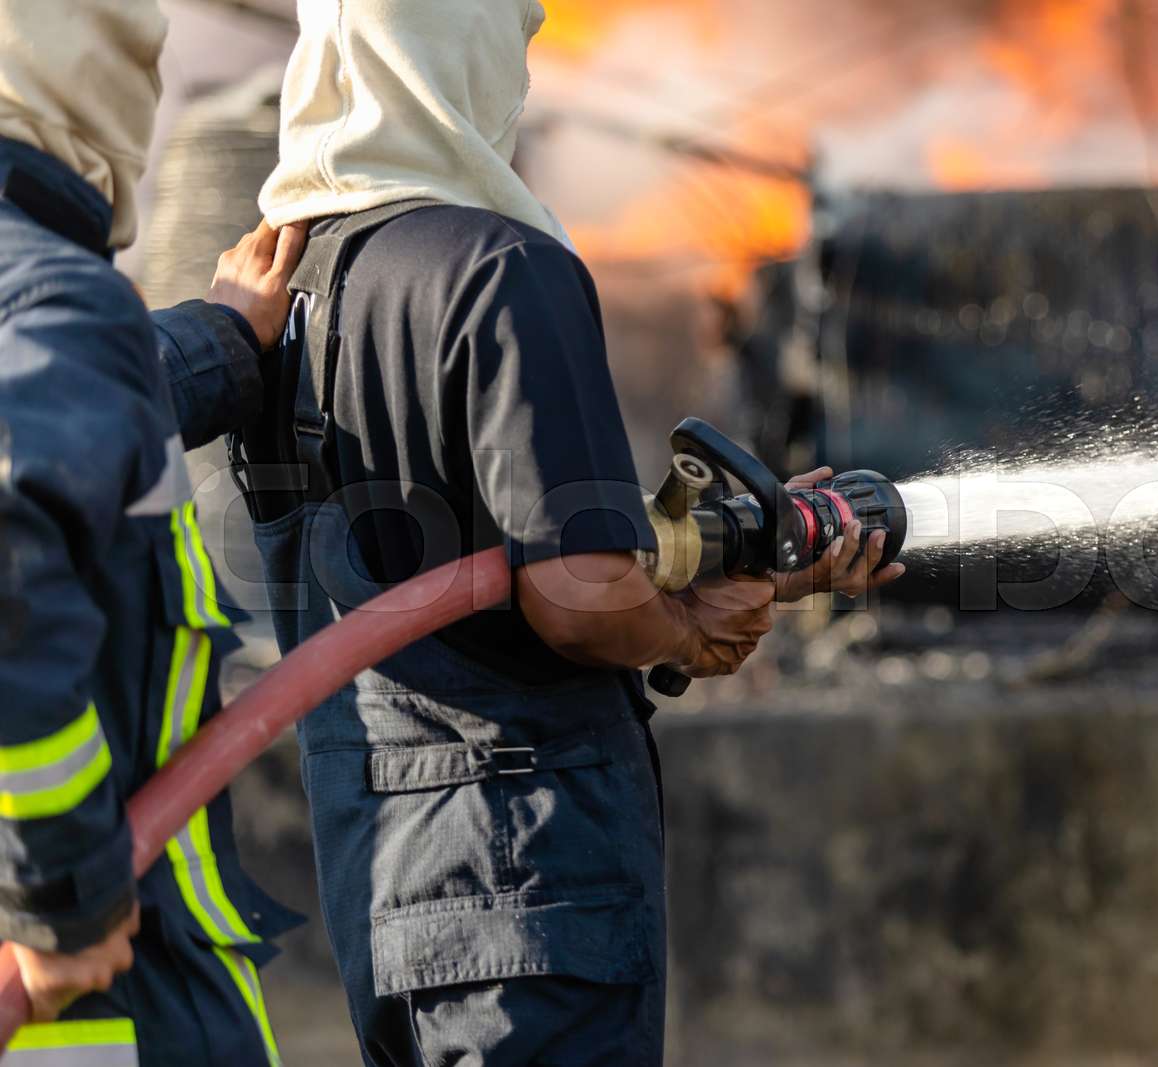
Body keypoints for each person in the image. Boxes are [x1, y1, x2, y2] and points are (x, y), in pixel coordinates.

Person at [235, 1, 901, 1063]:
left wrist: (696, 568)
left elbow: (439, 556)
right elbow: (580, 589)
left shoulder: (275, 297)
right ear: (465, 52)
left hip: (382, 885)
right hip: (530, 883)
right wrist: (685, 633)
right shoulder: (501, 268)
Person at [0, 2, 308, 1062]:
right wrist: (64, 889)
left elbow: (70, 428)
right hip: (93, 997)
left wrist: (221, 340)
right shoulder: (53, 297)